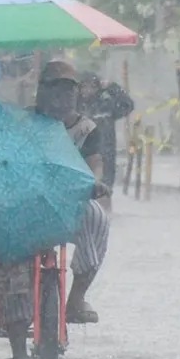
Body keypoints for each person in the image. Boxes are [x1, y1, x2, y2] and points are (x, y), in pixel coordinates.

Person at [36, 61, 112, 324]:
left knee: (97, 217)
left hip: (69, 202)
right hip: (26, 199)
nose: (63, 98)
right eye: (56, 90)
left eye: (69, 91)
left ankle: (76, 298)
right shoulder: (25, 121)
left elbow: (95, 164)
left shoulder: (86, 129)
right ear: (42, 92)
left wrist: (94, 183)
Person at [78, 72, 134, 195]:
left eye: (92, 86)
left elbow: (128, 105)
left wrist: (112, 87)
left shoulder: (106, 104)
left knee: (105, 188)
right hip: (82, 156)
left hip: (106, 154)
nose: (87, 90)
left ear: (97, 88)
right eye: (84, 86)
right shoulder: (76, 105)